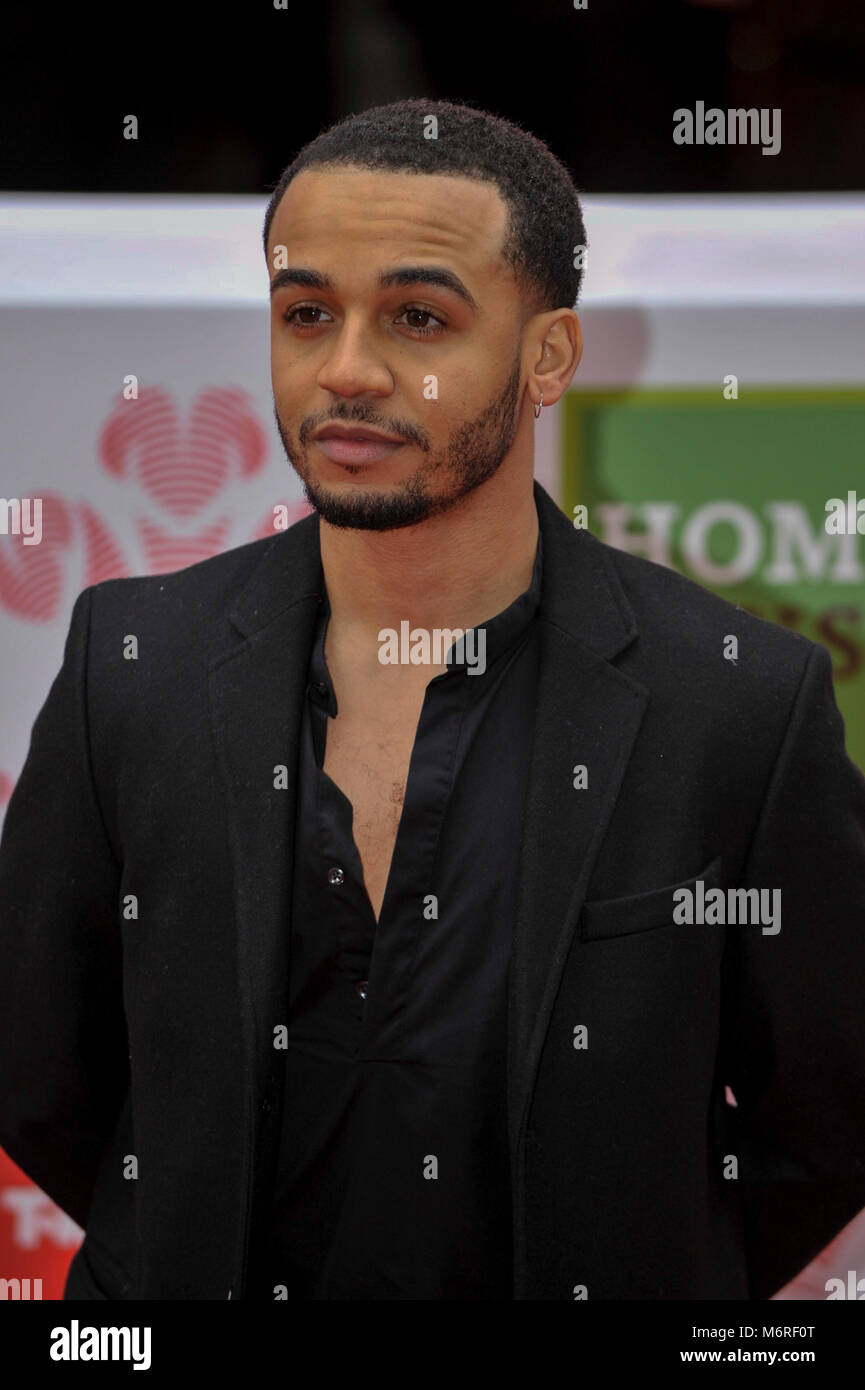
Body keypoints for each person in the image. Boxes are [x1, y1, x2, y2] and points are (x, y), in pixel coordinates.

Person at [1, 98, 864, 1301]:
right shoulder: (129, 659)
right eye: (306, 313)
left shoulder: (735, 703)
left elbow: (826, 1116)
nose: (347, 370)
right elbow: (41, 1066)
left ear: (548, 355)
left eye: (418, 316)